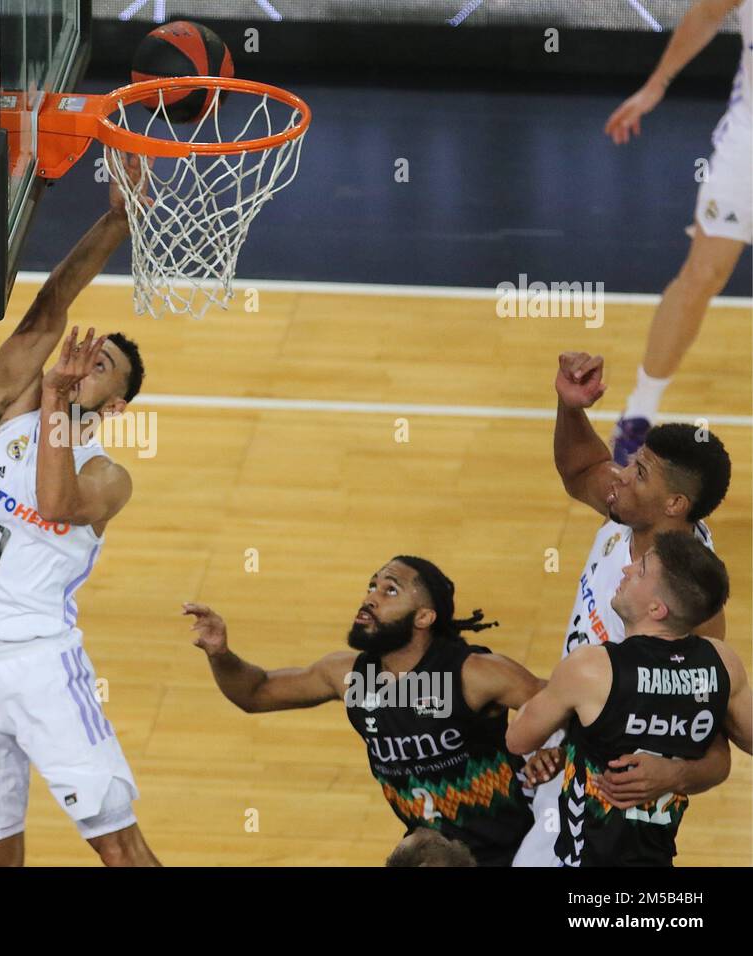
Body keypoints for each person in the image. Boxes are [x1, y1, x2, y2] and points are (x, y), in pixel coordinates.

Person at [0, 158, 156, 866]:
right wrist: (117, 221)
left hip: (39, 668)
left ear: (113, 406)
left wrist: (56, 401)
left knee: (117, 846)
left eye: (102, 367)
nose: (83, 363)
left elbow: (55, 505)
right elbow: (48, 309)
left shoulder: (108, 477)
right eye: (86, 353)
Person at [513, 351, 732, 865]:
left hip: (603, 798)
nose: (622, 474)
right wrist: (570, 408)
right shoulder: (628, 514)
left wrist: (674, 774)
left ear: (674, 505)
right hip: (557, 737)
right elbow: (581, 468)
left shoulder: (693, 601)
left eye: (641, 471)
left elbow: (711, 739)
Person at [187, 556, 543, 866]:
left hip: (519, 850)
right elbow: (255, 692)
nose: (371, 597)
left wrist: (551, 751)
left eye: (390, 590)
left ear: (423, 617)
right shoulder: (348, 674)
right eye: (372, 585)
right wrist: (221, 654)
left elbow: (566, 702)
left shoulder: (474, 673)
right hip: (428, 855)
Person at [507, 532, 750, 866]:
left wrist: (560, 702)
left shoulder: (591, 669)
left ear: (656, 608)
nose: (626, 570)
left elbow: (518, 738)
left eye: (641, 570)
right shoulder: (722, 663)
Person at [604, 0, 751, 464]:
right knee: (702, 276)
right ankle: (639, 412)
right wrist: (655, 86)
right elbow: (708, 13)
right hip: (749, 140)